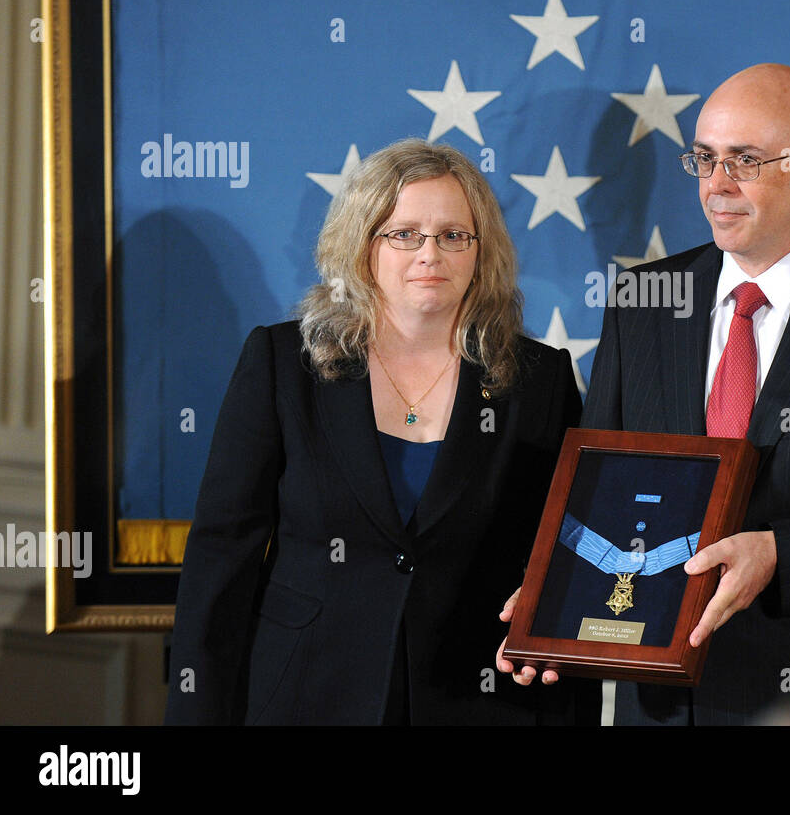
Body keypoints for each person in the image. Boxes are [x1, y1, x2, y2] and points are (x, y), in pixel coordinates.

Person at [499, 63, 790, 724]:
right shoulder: (642, 302)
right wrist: (556, 603)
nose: (717, 186)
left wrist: (783, 554)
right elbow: (605, 490)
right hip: (662, 703)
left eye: (745, 161)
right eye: (705, 159)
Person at [165, 139, 597, 725]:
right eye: (403, 234)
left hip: (484, 699)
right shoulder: (282, 363)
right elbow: (222, 554)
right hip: (303, 694)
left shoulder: (539, 379)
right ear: (363, 244)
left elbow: (571, 550)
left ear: (480, 250)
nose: (430, 255)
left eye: (453, 235)